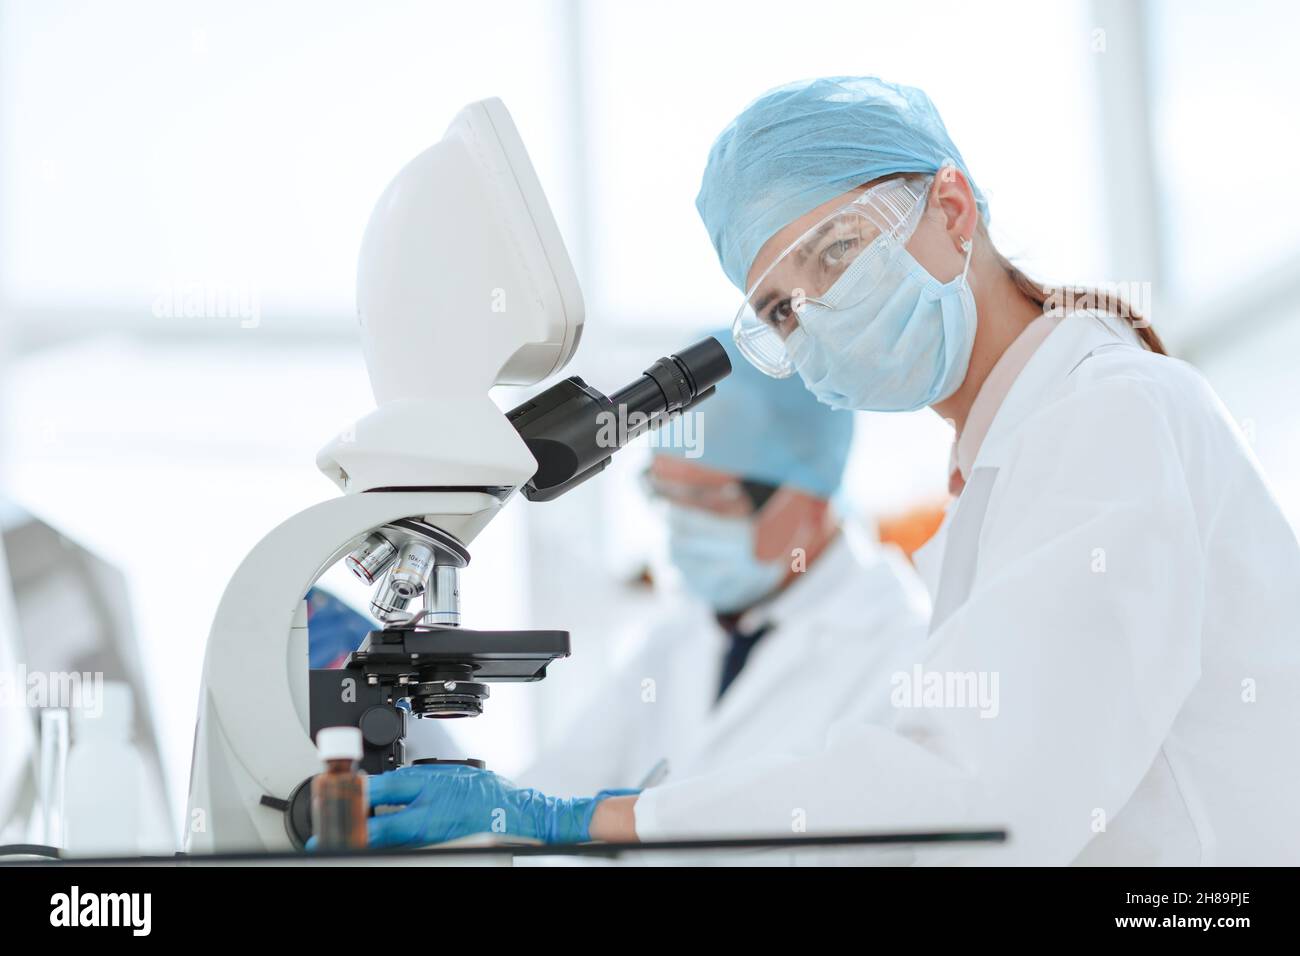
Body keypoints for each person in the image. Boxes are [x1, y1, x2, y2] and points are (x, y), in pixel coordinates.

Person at [358, 76, 1300, 865]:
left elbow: (971, 787)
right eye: (779, 309)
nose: (817, 314)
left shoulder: (1109, 416)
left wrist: (582, 823)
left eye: (839, 253)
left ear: (952, 209)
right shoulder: (1016, 454)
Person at [514, 332, 929, 800]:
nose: (683, 523)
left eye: (709, 498)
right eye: (666, 493)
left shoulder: (906, 652)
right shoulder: (683, 634)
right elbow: (558, 784)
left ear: (812, 498)